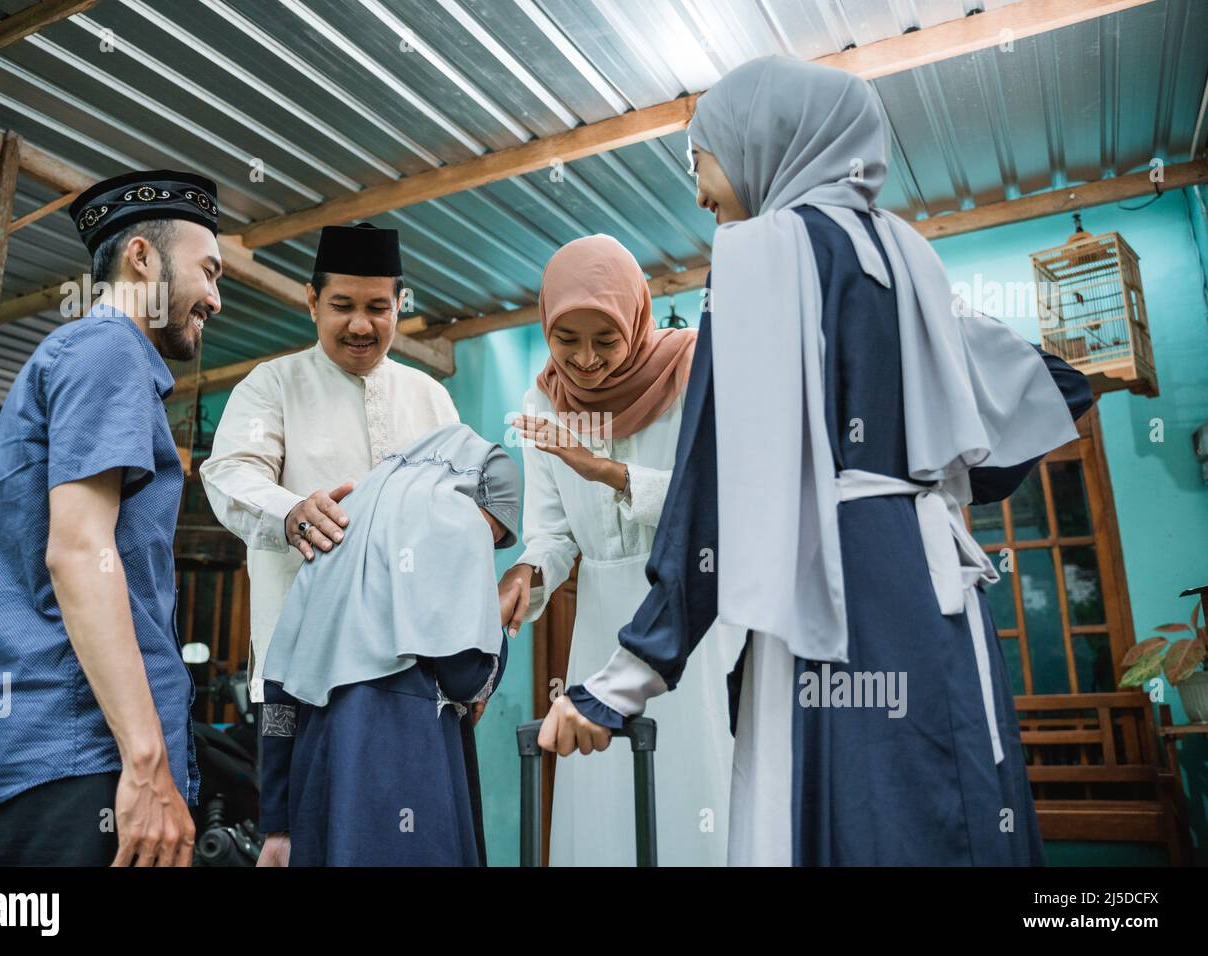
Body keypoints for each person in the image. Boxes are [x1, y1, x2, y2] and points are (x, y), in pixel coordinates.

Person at [540, 56, 1095, 866]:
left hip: (835, 595)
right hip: (940, 593)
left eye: (702, 159)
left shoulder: (760, 252)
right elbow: (1061, 390)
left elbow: (713, 488)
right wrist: (927, 490)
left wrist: (622, 681)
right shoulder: (908, 253)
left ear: (766, 140)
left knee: (837, 818)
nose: (699, 193)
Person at [0, 170, 224, 866]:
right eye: (208, 271)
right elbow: (78, 553)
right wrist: (144, 761)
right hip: (83, 758)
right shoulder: (108, 349)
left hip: (63, 754)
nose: (216, 299)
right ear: (142, 257)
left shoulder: (81, 356)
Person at [497, 235, 743, 866]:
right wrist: (528, 573)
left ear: (636, 317)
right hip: (602, 629)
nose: (585, 361)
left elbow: (717, 504)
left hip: (688, 618)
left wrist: (609, 472)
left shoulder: (691, 374)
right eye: (565, 339)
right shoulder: (542, 403)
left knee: (700, 787)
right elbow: (553, 535)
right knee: (606, 801)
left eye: (605, 340)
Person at [200, 221, 458, 711]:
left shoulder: (432, 399)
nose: (360, 325)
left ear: (399, 306)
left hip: (419, 667)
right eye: (342, 306)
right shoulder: (272, 385)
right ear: (312, 301)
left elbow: (456, 529)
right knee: (305, 789)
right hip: (303, 666)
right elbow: (230, 472)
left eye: (377, 308)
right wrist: (292, 512)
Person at [256, 423, 519, 866]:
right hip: (412, 771)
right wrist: (494, 631)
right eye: (488, 538)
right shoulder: (450, 538)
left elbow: (278, 700)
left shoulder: (336, 532)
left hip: (316, 782)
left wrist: (278, 825)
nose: (482, 553)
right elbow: (467, 678)